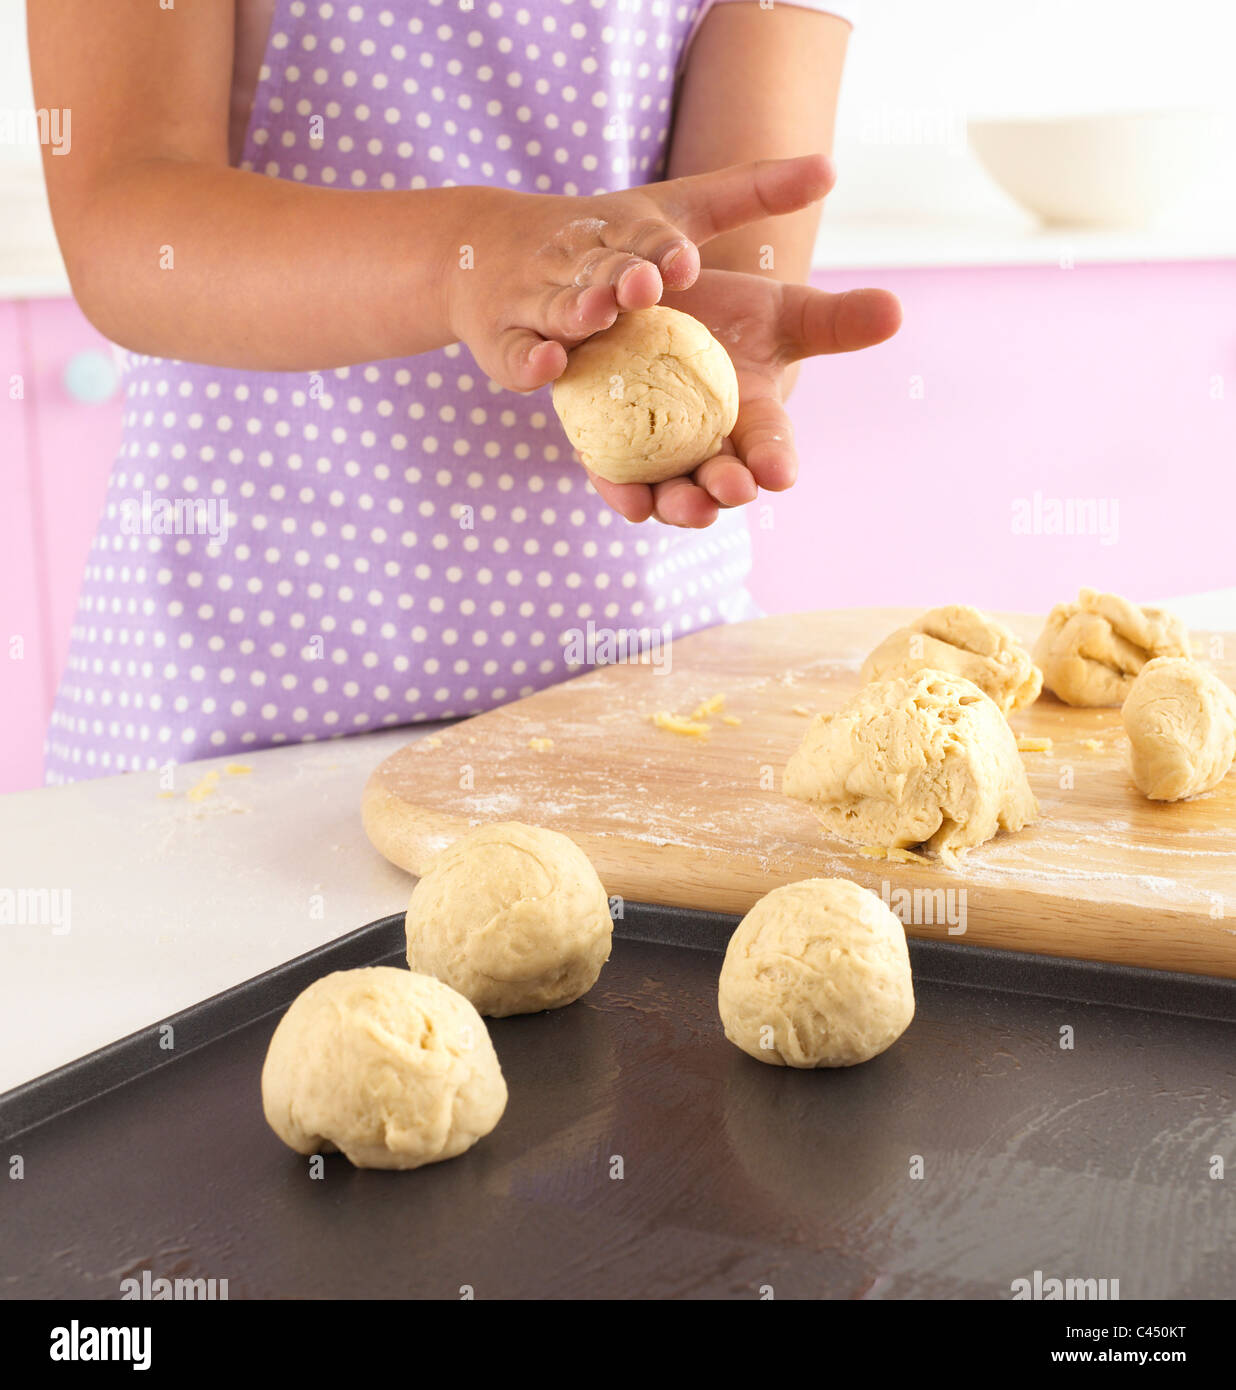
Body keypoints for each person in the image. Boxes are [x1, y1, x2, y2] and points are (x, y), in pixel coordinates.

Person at [31, 0, 900, 782]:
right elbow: (123, 228)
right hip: (225, 720)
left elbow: (726, 219)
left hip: (645, 693)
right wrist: (463, 257)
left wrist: (711, 342)